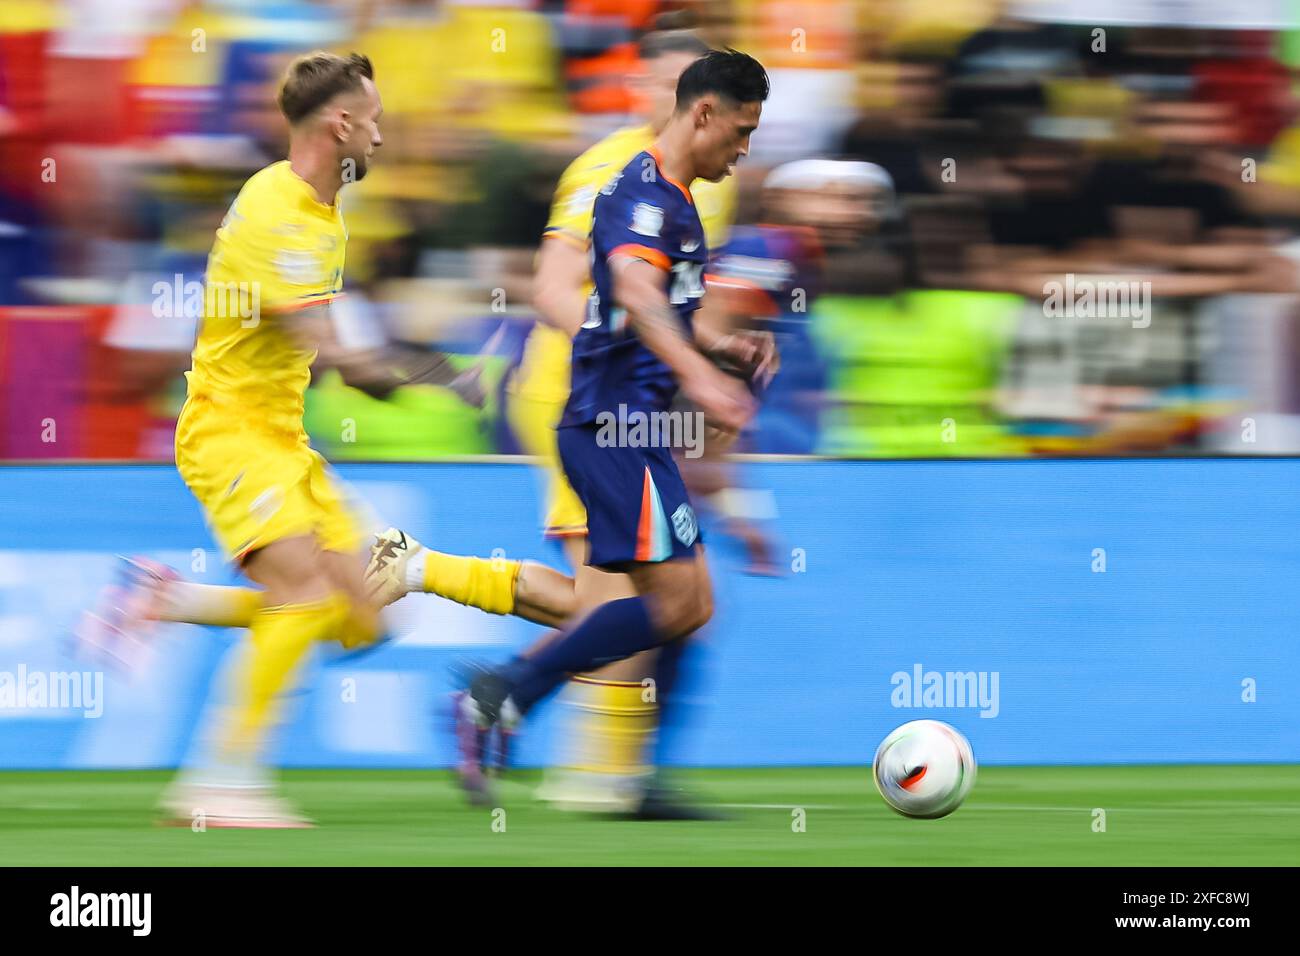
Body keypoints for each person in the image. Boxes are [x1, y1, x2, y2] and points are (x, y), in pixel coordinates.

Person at [449, 48, 771, 816]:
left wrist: (716, 347)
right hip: (612, 424)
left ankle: (516, 697)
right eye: (742, 130)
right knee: (673, 607)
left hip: (633, 424)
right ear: (703, 113)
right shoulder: (642, 188)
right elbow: (627, 285)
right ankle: (519, 704)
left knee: (686, 606)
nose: (746, 149)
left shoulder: (680, 197)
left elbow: (645, 307)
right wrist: (699, 378)